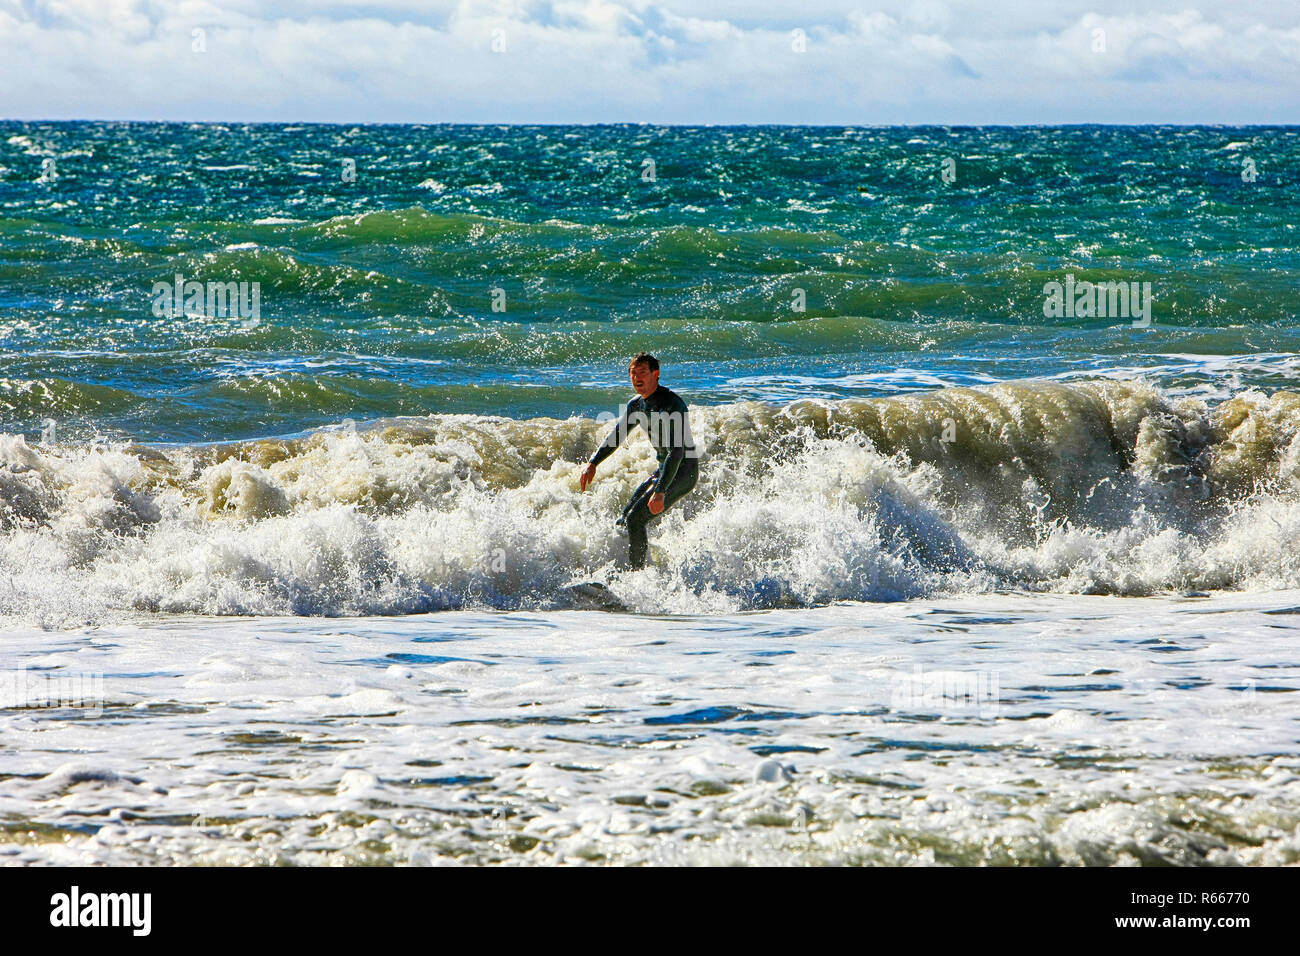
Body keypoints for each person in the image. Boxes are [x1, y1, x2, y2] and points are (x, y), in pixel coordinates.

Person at [580, 353, 698, 570]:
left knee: (636, 519)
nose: (637, 378)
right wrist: (593, 463)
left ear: (656, 374)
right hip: (665, 469)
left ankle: (638, 577)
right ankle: (627, 568)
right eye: (633, 374)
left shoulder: (672, 405)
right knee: (624, 520)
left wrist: (660, 491)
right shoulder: (637, 405)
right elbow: (617, 435)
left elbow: (677, 451)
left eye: (642, 373)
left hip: (683, 472)